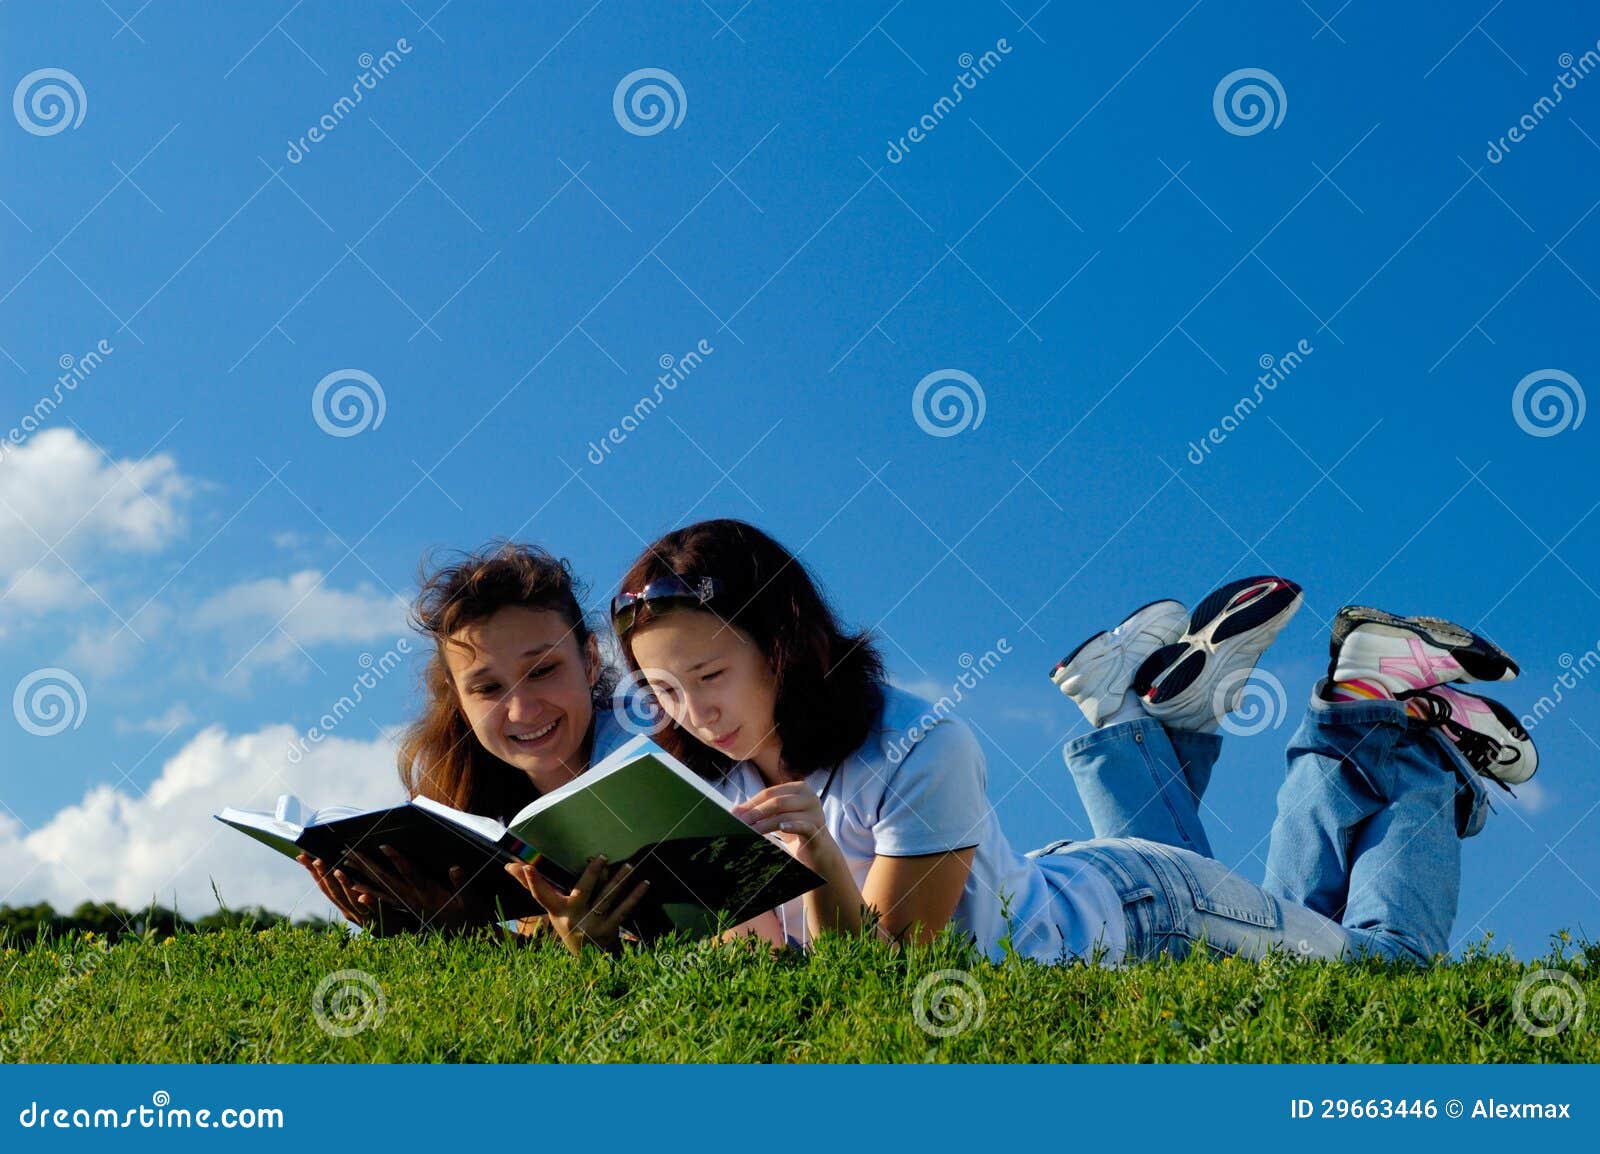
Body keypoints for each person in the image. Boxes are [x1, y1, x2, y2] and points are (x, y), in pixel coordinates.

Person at [612, 518, 1538, 964]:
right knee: (1311, 941)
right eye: (661, 689)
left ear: (782, 646)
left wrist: (816, 853)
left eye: (710, 677)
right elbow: (765, 968)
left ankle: (1381, 717)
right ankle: (1133, 721)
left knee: (1386, 972)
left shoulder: (914, 749)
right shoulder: (708, 778)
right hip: (1063, 886)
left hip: (1141, 917)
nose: (693, 710)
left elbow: (878, 979)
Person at [297, 542, 652, 953]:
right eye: (488, 688)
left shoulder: (658, 747)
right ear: (459, 700)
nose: (521, 711)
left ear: (590, 660)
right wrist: (436, 924)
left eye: (542, 671)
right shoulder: (469, 804)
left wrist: (594, 946)